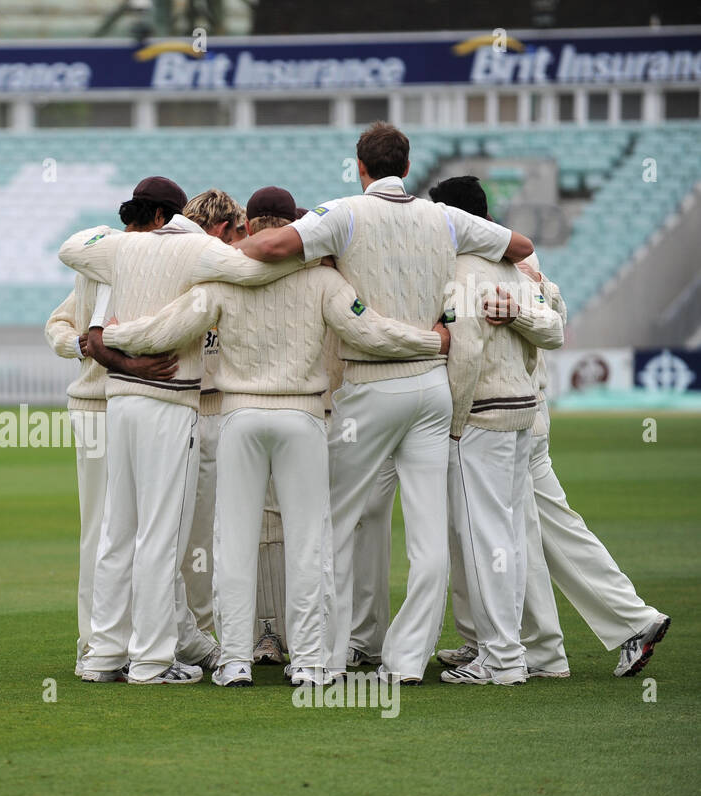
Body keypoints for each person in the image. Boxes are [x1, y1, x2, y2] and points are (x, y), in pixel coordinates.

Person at [100, 184, 448, 686]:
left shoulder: (222, 279)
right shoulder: (322, 280)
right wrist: (432, 342)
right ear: (294, 225)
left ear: (250, 224)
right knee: (309, 542)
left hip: (239, 417)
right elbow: (370, 333)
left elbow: (162, 331)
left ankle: (237, 659)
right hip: (303, 417)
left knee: (233, 542)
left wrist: (109, 337)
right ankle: (307, 661)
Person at [238, 121, 535, 684]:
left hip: (370, 383)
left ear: (360, 165)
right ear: (407, 164)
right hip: (432, 386)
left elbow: (272, 245)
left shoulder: (345, 212)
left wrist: (236, 255)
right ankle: (405, 662)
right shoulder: (443, 217)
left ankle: (324, 657)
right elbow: (519, 246)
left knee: (334, 522)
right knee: (428, 534)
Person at [60, 176, 305, 685]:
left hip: (119, 401)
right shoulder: (198, 250)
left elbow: (71, 248)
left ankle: (103, 654)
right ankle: (151, 660)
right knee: (160, 534)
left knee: (117, 529)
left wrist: (113, 343)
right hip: (169, 399)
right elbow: (252, 271)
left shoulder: (122, 246)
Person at [438, 255, 670, 678]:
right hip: (527, 413)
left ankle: (564, 642)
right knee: (539, 531)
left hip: (510, 416)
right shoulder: (513, 256)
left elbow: (552, 319)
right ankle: (531, 647)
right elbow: (554, 309)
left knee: (518, 535)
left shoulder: (493, 261)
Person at [44, 185, 183, 676]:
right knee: (112, 528)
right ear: (162, 216)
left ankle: (113, 643)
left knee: (116, 529)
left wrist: (78, 343)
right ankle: (101, 643)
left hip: (120, 407)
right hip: (105, 405)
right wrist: (82, 346)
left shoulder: (109, 258)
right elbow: (58, 324)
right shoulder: (111, 259)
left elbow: (58, 324)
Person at [434, 176, 566, 685]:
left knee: (484, 538)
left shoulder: (455, 270)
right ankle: (507, 651)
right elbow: (553, 329)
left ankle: (503, 659)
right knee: (508, 537)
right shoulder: (514, 267)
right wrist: (517, 313)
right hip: (521, 413)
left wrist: (455, 420)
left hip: (482, 416)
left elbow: (464, 353)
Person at [175, 188, 245, 639]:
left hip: (224, 410)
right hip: (195, 411)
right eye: (236, 231)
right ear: (219, 230)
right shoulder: (188, 269)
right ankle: (198, 630)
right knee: (197, 535)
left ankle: (223, 628)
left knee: (220, 532)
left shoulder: (225, 272)